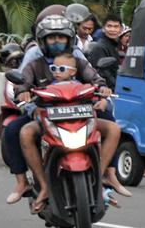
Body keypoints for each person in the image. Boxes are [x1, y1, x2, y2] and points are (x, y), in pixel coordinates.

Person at [17, 49, 131, 212]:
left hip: (81, 125)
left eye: (62, 69)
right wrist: (25, 95)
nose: (57, 72)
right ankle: (43, 185)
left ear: (74, 72)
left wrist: (104, 97)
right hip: (51, 126)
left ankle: (100, 177)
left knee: (113, 128)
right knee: (25, 133)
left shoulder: (84, 87)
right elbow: (25, 92)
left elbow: (101, 91)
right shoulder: (45, 88)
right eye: (54, 69)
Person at [86, 14, 124, 86]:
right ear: (103, 28)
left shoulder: (114, 46)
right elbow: (101, 73)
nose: (112, 30)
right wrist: (117, 86)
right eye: (109, 26)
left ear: (121, 29)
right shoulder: (99, 47)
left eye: (116, 26)